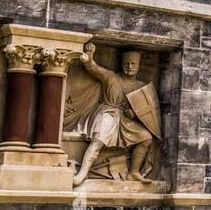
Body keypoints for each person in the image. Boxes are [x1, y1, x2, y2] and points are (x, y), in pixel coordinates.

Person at [68, 43, 159, 185]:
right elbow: (93, 68)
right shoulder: (111, 77)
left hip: (124, 120)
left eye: (133, 64)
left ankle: (133, 172)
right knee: (98, 141)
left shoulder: (141, 86)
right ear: (122, 64)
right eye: (127, 63)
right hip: (108, 113)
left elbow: (146, 108)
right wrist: (89, 58)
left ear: (138, 65)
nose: (130, 66)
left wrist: (134, 114)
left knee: (146, 137)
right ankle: (82, 174)